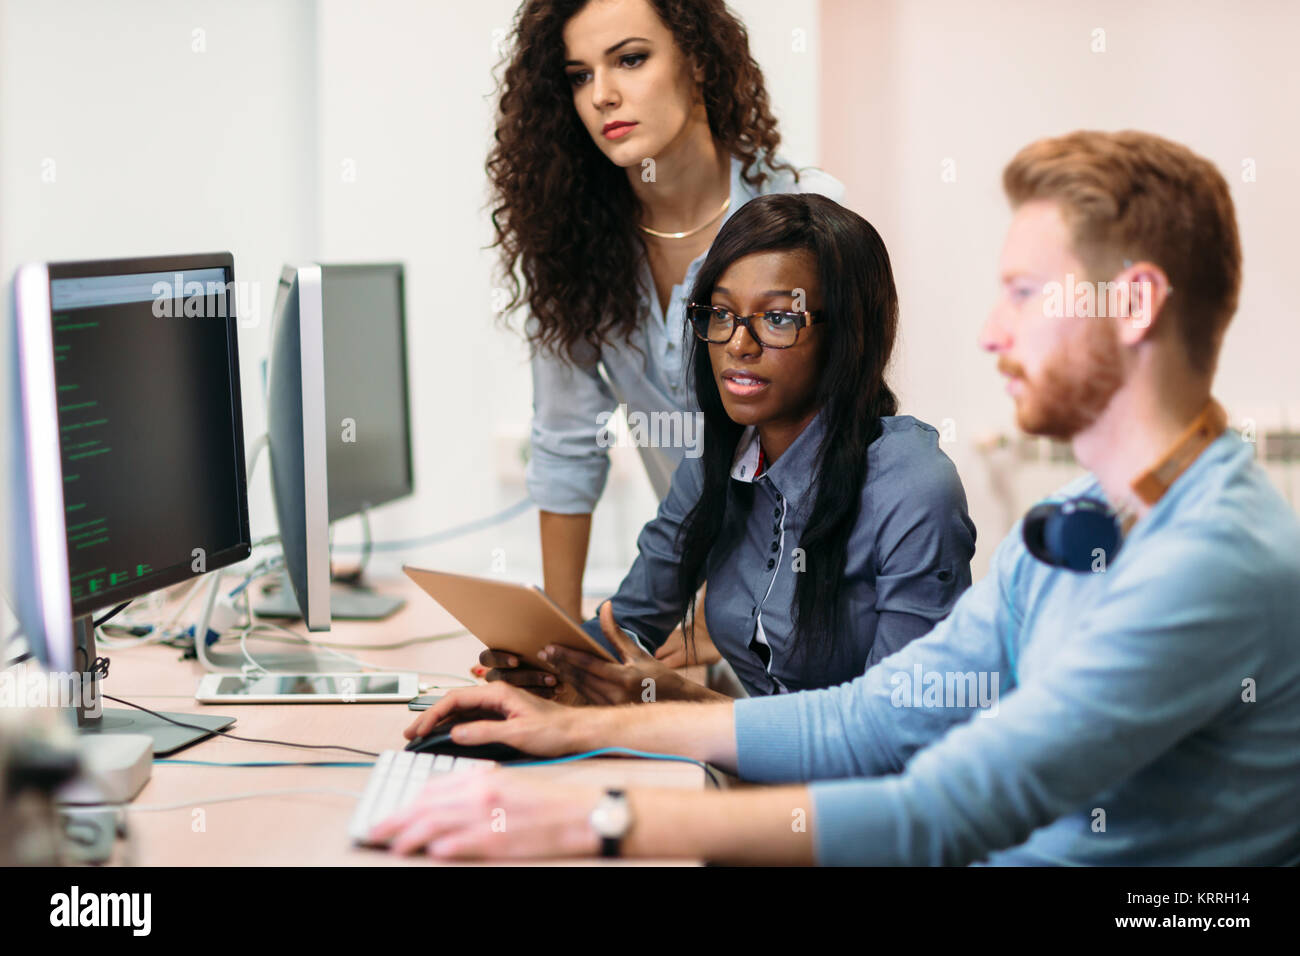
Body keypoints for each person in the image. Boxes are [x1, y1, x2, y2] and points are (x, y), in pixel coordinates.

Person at [380, 130, 1300, 866]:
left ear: (1132, 306)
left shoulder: (1210, 562)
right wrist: (579, 719)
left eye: (1024, 292)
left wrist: (600, 824)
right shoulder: (1079, 525)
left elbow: (944, 808)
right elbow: (872, 717)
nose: (990, 332)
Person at [486, 193, 974, 704]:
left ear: (849, 335)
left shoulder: (913, 487)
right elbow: (626, 628)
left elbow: (894, 729)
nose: (738, 344)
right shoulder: (721, 456)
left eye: (779, 318)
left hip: (871, 784)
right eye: (721, 313)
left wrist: (684, 700)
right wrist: (540, 666)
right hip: (755, 772)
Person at [490, 0, 843, 662]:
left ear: (700, 61)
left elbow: (833, 439)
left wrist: (731, 609)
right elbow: (568, 445)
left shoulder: (806, 217)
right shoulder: (570, 245)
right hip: (688, 605)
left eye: (630, 59)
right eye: (578, 75)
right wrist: (559, 647)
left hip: (823, 599)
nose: (603, 95)